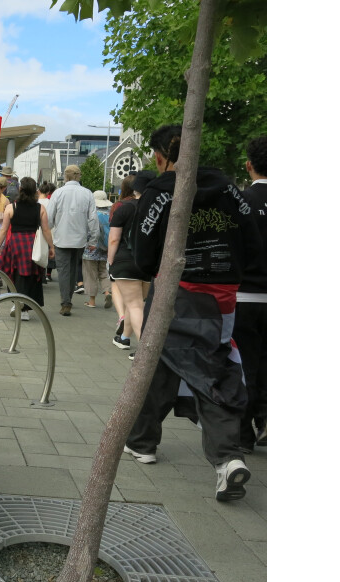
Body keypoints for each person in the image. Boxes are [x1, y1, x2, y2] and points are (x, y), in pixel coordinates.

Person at [122, 124, 263, 503]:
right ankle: (142, 439)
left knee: (208, 370)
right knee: (165, 362)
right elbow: (253, 243)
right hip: (225, 294)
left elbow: (143, 252)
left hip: (178, 291)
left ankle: (225, 457)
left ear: (159, 155)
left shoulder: (161, 190)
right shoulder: (231, 188)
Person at [234, 135, 267, 450]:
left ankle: (243, 434)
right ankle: (266, 419)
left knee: (244, 365)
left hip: (246, 296)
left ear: (248, 165)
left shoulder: (242, 201)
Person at [107, 171, 155, 356]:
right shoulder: (156, 208)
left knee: (134, 305)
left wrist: (111, 261)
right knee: (134, 302)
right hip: (149, 264)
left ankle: (145, 352)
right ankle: (124, 337)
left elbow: (113, 239)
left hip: (125, 261)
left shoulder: (124, 208)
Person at [0, 177, 54, 320]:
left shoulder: (12, 207)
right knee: (31, 275)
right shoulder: (40, 208)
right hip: (33, 244)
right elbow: (46, 230)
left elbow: (3, 230)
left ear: (20, 189)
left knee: (15, 273)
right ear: (35, 191)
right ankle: (25, 309)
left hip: (15, 243)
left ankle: (17, 303)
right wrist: (51, 247)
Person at [45, 164, 99, 316]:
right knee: (74, 269)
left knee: (63, 271)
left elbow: (49, 218)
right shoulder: (87, 193)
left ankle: (65, 301)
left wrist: (48, 229)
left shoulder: (58, 193)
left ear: (66, 176)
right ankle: (68, 297)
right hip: (79, 238)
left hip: (62, 236)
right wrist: (93, 240)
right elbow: (93, 219)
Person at [81, 190, 112, 309]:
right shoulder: (110, 214)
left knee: (90, 275)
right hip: (105, 248)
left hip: (91, 249)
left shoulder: (91, 214)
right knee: (104, 273)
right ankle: (107, 292)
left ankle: (92, 301)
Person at [36, 180, 57, 283]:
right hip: (49, 230)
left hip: (37, 231)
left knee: (37, 252)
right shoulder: (50, 203)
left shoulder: (35, 203)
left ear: (39, 191)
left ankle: (39, 274)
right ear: (48, 192)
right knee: (47, 253)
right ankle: (46, 274)